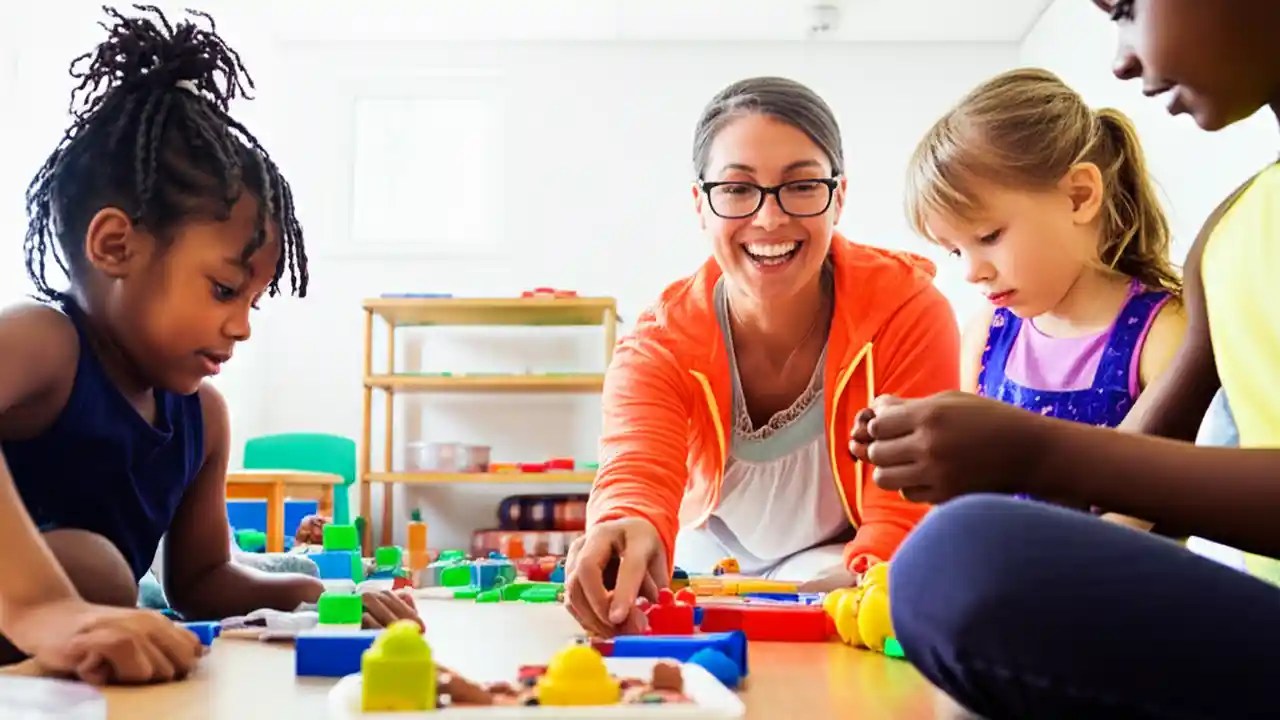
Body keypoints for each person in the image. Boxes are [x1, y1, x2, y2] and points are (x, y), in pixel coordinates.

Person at [851, 0, 1280, 717]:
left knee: (962, 555)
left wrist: (1033, 452)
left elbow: (1112, 489)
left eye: (1128, 8)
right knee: (958, 571)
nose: (1120, 57)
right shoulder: (1229, 237)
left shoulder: (1164, 311)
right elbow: (1139, 463)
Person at [0, 7, 415, 683]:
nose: (243, 325)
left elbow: (201, 579)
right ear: (115, 247)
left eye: (254, 302)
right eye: (225, 290)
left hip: (70, 638)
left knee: (113, 584)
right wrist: (44, 607)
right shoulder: (47, 343)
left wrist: (323, 597)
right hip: (47, 612)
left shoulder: (202, 417)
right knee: (97, 570)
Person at [566, 76, 961, 637]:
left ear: (839, 197)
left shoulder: (908, 311)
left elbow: (905, 500)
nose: (769, 219)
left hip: (838, 561)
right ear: (701, 204)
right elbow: (636, 474)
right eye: (736, 189)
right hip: (707, 561)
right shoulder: (657, 340)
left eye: (802, 186)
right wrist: (621, 526)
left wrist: (866, 586)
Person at [904, 67, 1185, 516]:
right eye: (956, 251)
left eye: (989, 236)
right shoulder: (988, 335)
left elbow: (1142, 510)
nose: (972, 272)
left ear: (1078, 196)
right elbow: (965, 492)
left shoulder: (1162, 335)